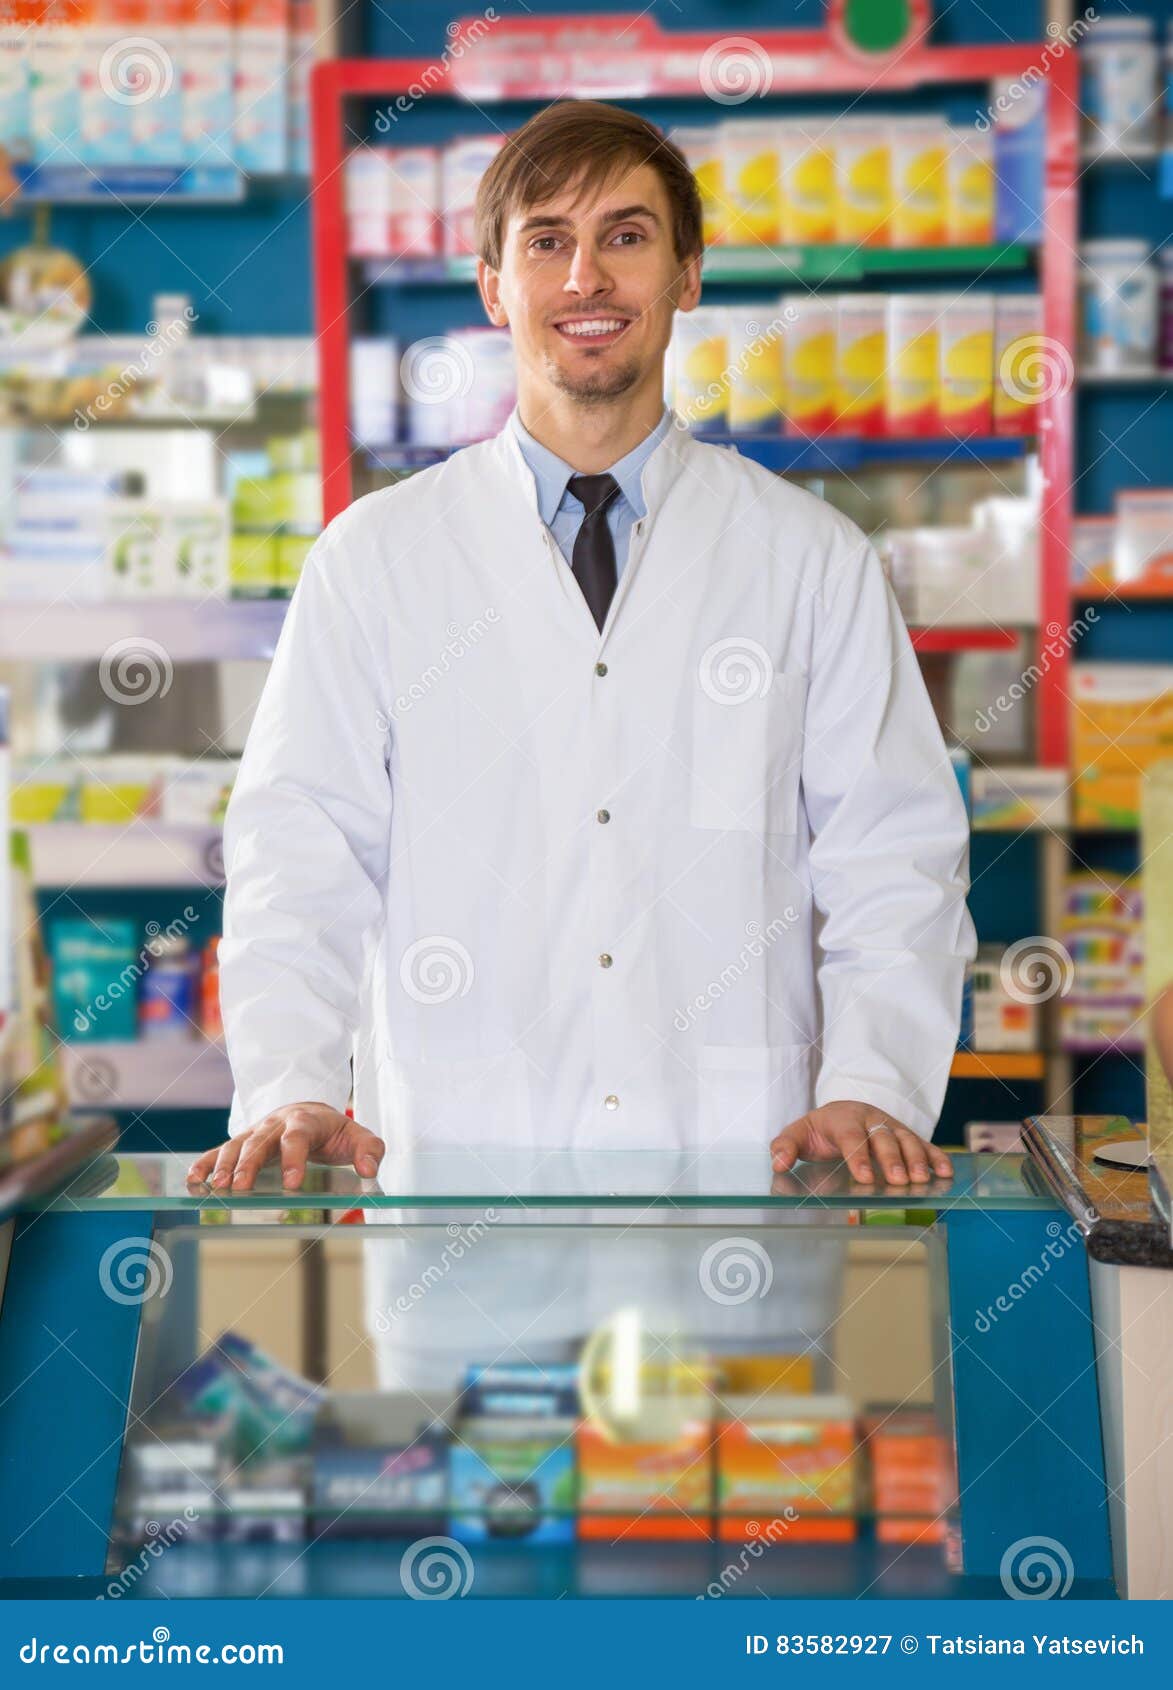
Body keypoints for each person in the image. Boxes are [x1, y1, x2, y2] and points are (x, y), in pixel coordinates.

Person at [190, 99, 975, 1208]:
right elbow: (297, 853)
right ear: (493, 286)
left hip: (740, 1169)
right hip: (461, 1177)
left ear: (687, 275)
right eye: (547, 242)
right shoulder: (376, 558)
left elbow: (892, 854)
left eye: (626, 236)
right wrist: (292, 1081)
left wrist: (871, 1080)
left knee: (749, 1390)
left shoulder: (809, 556)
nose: (586, 279)